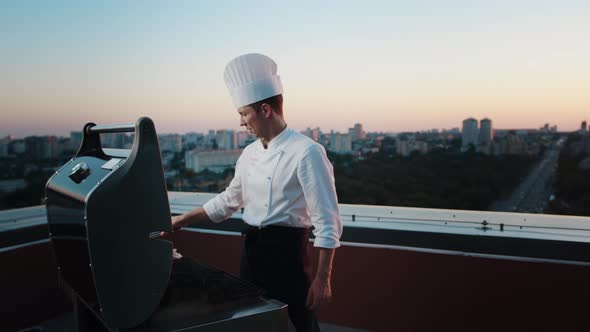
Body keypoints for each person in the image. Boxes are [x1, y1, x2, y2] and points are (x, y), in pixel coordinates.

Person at [169, 53, 343, 332]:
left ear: (265, 110)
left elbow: (328, 222)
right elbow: (228, 201)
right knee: (253, 321)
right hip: (252, 254)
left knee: (300, 323)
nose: (241, 122)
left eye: (244, 114)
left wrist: (323, 279)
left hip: (288, 256)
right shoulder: (249, 153)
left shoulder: (307, 152)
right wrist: (179, 221)